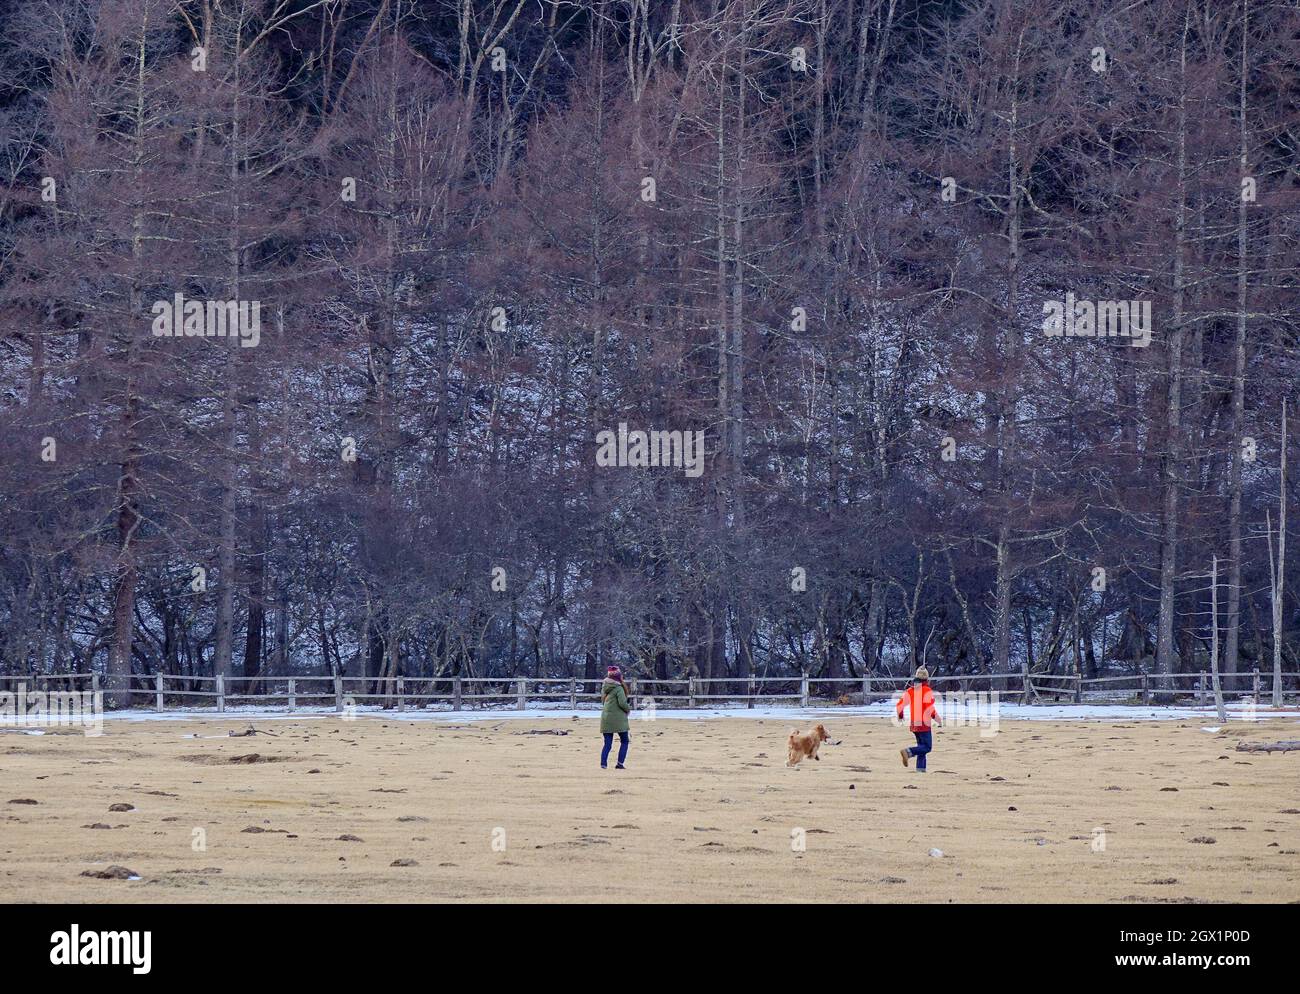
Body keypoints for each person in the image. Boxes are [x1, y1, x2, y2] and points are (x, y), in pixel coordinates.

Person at [897, 666, 940, 772]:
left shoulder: (910, 690)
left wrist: (901, 715)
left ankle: (920, 769)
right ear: (927, 679)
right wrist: (936, 717)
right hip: (924, 723)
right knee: (927, 747)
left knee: (921, 747)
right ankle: (908, 752)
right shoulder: (927, 690)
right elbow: (929, 708)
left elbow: (899, 705)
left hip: (914, 723)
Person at [600, 666, 630, 769]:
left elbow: (603, 702)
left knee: (607, 744)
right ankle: (620, 764)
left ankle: (603, 764)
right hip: (618, 719)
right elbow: (622, 703)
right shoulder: (619, 688)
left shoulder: (604, 687)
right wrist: (628, 709)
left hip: (606, 718)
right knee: (625, 741)